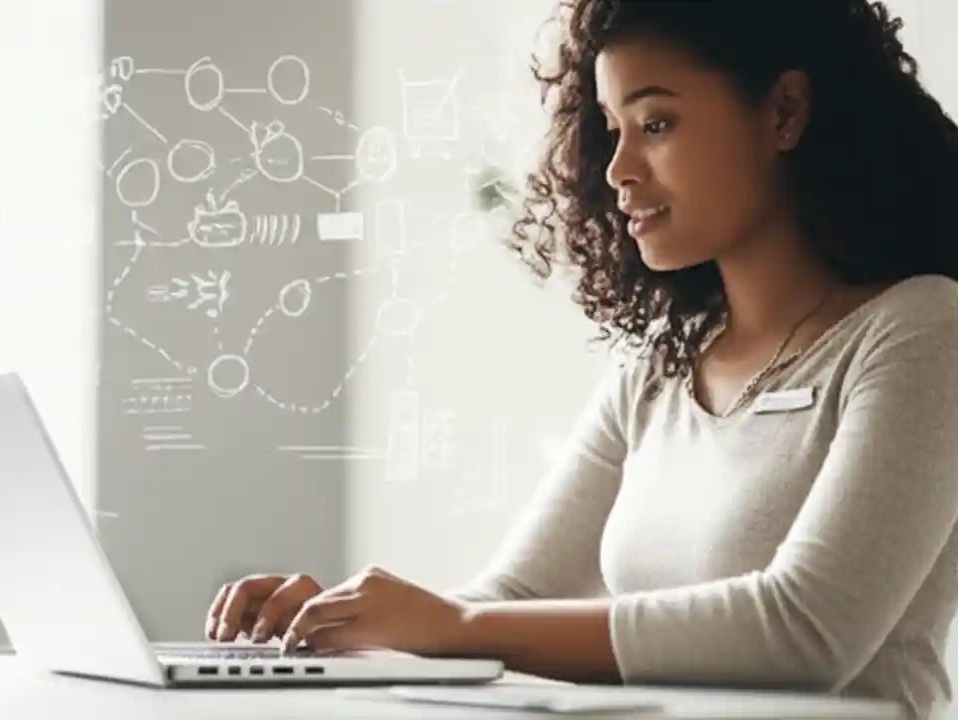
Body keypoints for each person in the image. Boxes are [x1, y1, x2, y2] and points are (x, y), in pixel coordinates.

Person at [204, 1, 958, 717]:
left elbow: (804, 633)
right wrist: (338, 626)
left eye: (656, 123)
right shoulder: (658, 375)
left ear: (784, 112)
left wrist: (450, 625)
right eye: (610, 128)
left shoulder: (921, 329)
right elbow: (513, 599)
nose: (617, 169)